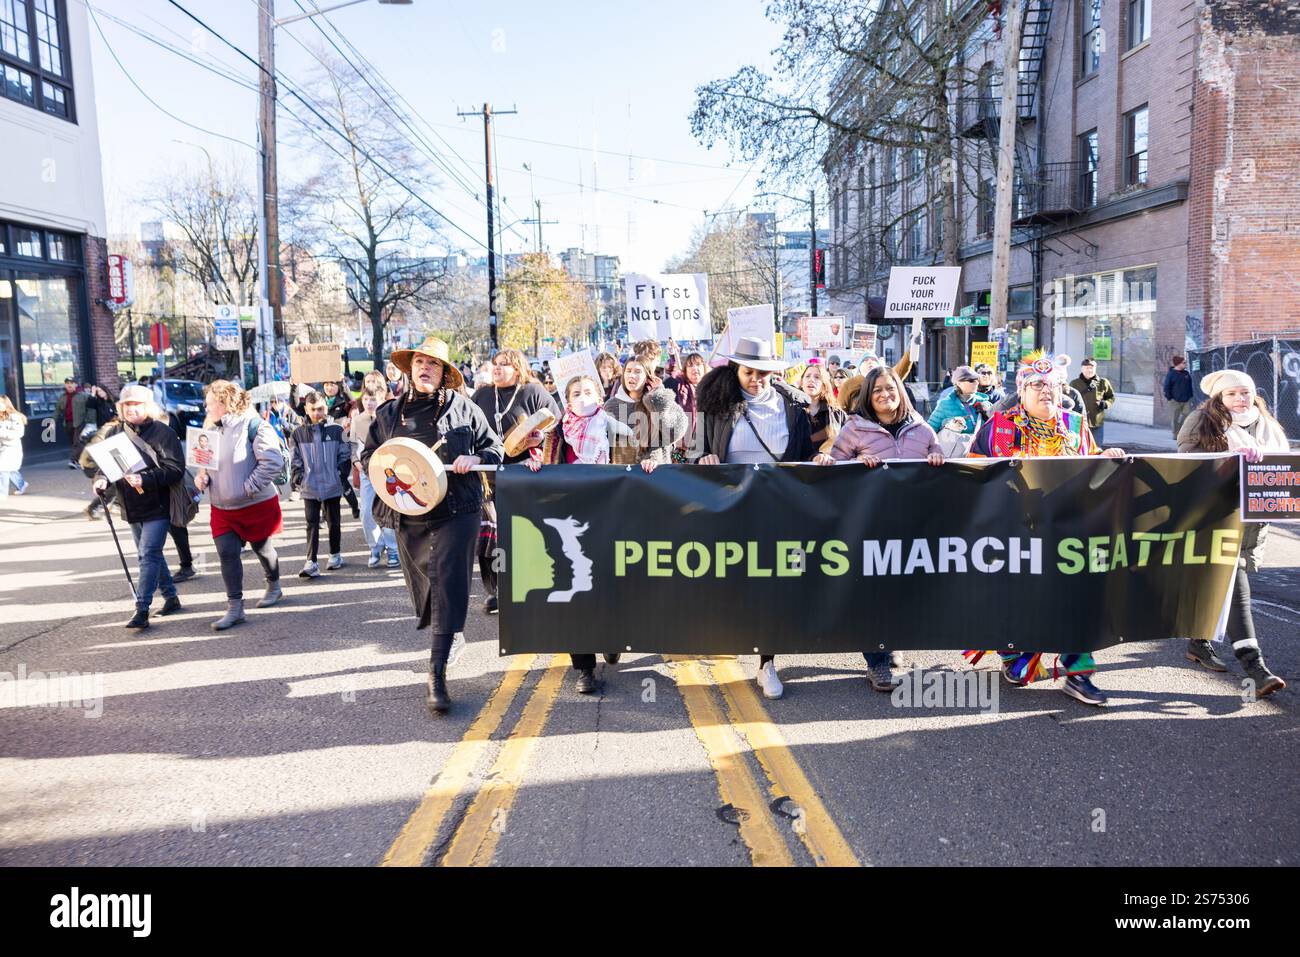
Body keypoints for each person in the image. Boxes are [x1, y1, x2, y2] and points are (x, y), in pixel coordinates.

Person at [964, 351, 1126, 706]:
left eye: (1052, 384)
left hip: (1067, 529)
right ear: (1022, 391)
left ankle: (1078, 672)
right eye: (1036, 384)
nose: (1045, 390)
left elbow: (1090, 468)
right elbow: (973, 477)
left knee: (1074, 597)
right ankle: (1015, 654)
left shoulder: (1075, 424)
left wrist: (1104, 458)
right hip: (1013, 532)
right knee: (1015, 599)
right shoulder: (997, 427)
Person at [361, 337, 503, 715]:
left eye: (434, 364)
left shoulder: (465, 408)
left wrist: (473, 458)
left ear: (444, 374)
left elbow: (496, 449)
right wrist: (385, 468)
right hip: (409, 513)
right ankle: (450, 632)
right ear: (411, 369)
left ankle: (436, 674)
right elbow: (369, 456)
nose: (425, 368)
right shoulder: (390, 413)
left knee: (446, 578)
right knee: (426, 585)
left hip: (459, 509)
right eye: (420, 362)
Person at [696, 337, 834, 700]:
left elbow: (805, 453)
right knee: (733, 579)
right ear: (736, 371)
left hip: (778, 507)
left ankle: (766, 662)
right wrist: (703, 459)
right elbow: (697, 449)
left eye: (762, 372)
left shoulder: (794, 406)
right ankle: (731, 633)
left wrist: (819, 457)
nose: (755, 379)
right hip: (730, 506)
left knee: (771, 583)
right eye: (748, 372)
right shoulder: (717, 406)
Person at [820, 365, 945, 690]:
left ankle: (890, 642)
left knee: (902, 591)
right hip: (871, 527)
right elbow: (835, 467)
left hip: (912, 525)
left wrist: (937, 454)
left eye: (890, 388)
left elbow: (936, 451)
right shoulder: (855, 429)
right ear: (868, 398)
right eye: (877, 391)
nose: (885, 395)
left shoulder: (920, 428)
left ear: (900, 391)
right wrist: (855, 466)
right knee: (872, 594)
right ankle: (876, 663)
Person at [1177, 369, 1287, 696]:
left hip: (1253, 520)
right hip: (1215, 516)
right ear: (1219, 398)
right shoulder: (1202, 422)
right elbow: (1185, 462)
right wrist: (1229, 458)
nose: (1240, 399)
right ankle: (1255, 665)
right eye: (1232, 394)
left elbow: (1282, 467)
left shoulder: (1267, 426)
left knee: (1220, 582)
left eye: (1245, 393)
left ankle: (1198, 642)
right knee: (1235, 582)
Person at [526, 374, 637, 694]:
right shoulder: (556, 434)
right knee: (575, 590)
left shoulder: (616, 429)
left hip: (608, 518)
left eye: (588, 392)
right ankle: (584, 668)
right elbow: (545, 470)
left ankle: (612, 636)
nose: (583, 397)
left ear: (599, 397)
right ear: (567, 399)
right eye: (576, 393)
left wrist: (648, 464)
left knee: (609, 585)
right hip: (569, 521)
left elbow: (634, 468)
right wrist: (537, 468)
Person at [470, 348, 562, 615]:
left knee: (523, 533)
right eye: (495, 364)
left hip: (524, 473)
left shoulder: (533, 393)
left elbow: (556, 423)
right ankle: (497, 590)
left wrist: (540, 439)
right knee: (490, 535)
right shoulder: (483, 394)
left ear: (518, 368)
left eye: (505, 364)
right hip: (488, 475)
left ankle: (529, 585)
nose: (498, 368)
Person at [90, 385, 185, 630]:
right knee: (151, 554)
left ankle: (141, 608)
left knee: (148, 554)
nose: (131, 409)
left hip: (159, 503)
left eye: (137, 404)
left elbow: (176, 470)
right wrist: (101, 479)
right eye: (127, 405)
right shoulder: (116, 432)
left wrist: (146, 479)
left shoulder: (164, 433)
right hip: (131, 505)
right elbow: (106, 465)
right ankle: (171, 597)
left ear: (148, 406)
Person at [195, 379, 286, 631]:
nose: (206, 407)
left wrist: (247, 487)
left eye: (210, 403)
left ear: (224, 403)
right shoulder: (208, 428)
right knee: (227, 553)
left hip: (254, 504)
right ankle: (235, 608)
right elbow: (204, 463)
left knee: (262, 548)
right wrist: (201, 476)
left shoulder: (254, 424)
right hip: (222, 508)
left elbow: (272, 462)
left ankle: (274, 585)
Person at [290, 391, 351, 578]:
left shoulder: (337, 430)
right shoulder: (298, 433)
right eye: (313, 409)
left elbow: (345, 454)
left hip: (332, 484)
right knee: (312, 524)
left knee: (334, 523)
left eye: (321, 408)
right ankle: (311, 561)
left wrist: (339, 474)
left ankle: (335, 554)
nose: (318, 413)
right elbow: (295, 459)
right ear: (306, 410)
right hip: (310, 487)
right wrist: (299, 478)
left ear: (326, 408)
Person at [603, 357, 688, 467]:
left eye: (637, 372)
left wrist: (657, 400)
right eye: (628, 371)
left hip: (656, 473)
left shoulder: (658, 401)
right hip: (623, 476)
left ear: (648, 377)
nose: (631, 375)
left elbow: (675, 433)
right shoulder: (611, 406)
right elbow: (605, 444)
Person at [350, 387, 400, 568]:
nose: (369, 403)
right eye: (366, 400)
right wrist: (357, 463)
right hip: (365, 471)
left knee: (389, 509)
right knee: (366, 512)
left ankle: (393, 549)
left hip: (387, 471)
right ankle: (375, 547)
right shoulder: (356, 420)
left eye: (373, 400)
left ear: (380, 400)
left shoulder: (388, 419)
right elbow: (353, 446)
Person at [927, 365, 990, 451]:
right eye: (971, 380)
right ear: (959, 383)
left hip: (982, 456)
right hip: (956, 458)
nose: (976, 383)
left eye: (977, 379)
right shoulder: (945, 405)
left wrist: (988, 412)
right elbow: (929, 432)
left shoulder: (985, 403)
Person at [664, 351, 707, 460]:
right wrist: (672, 356)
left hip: (704, 446)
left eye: (698, 365)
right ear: (685, 370)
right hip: (680, 447)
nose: (694, 368)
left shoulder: (712, 388)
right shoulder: (677, 385)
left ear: (704, 367)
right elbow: (670, 373)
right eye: (690, 365)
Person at [797, 362, 846, 451]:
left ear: (824, 384)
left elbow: (850, 442)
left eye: (817, 377)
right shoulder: (793, 410)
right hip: (800, 463)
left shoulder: (837, 414)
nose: (811, 380)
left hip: (830, 463)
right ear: (801, 382)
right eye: (807, 376)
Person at [1072, 357, 1116, 447]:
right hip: (1080, 422)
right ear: (1082, 369)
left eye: (1092, 367)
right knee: (1080, 447)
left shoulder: (1103, 382)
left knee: (1097, 447)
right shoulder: (1074, 383)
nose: (1090, 370)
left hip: (1097, 422)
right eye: (1087, 368)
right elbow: (1069, 399)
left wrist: (1106, 404)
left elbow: (1111, 397)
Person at [55, 377, 96, 469]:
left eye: (72, 383)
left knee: (77, 442)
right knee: (73, 443)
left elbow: (91, 408)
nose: (69, 385)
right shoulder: (62, 397)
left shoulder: (84, 395)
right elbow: (57, 410)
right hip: (68, 423)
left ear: (76, 384)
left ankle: (73, 460)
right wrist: (52, 421)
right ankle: (81, 460)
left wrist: (90, 421)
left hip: (80, 422)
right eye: (67, 383)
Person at [0, 395, 30, 497]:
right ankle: (21, 484)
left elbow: (18, 433)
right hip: (2, 447)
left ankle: (2, 494)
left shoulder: (14, 417)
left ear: (5, 404)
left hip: (11, 448)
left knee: (3, 469)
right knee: (10, 469)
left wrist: (1, 433)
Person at [1163, 354, 1194, 439]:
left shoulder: (1186, 374)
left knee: (1187, 416)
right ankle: (1176, 434)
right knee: (1175, 418)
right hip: (1174, 401)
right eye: (1184, 363)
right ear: (1178, 364)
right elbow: (1166, 387)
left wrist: (1191, 396)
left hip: (1186, 400)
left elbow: (1190, 385)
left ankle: (1181, 431)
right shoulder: (1171, 374)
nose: (1185, 364)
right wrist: (1170, 398)